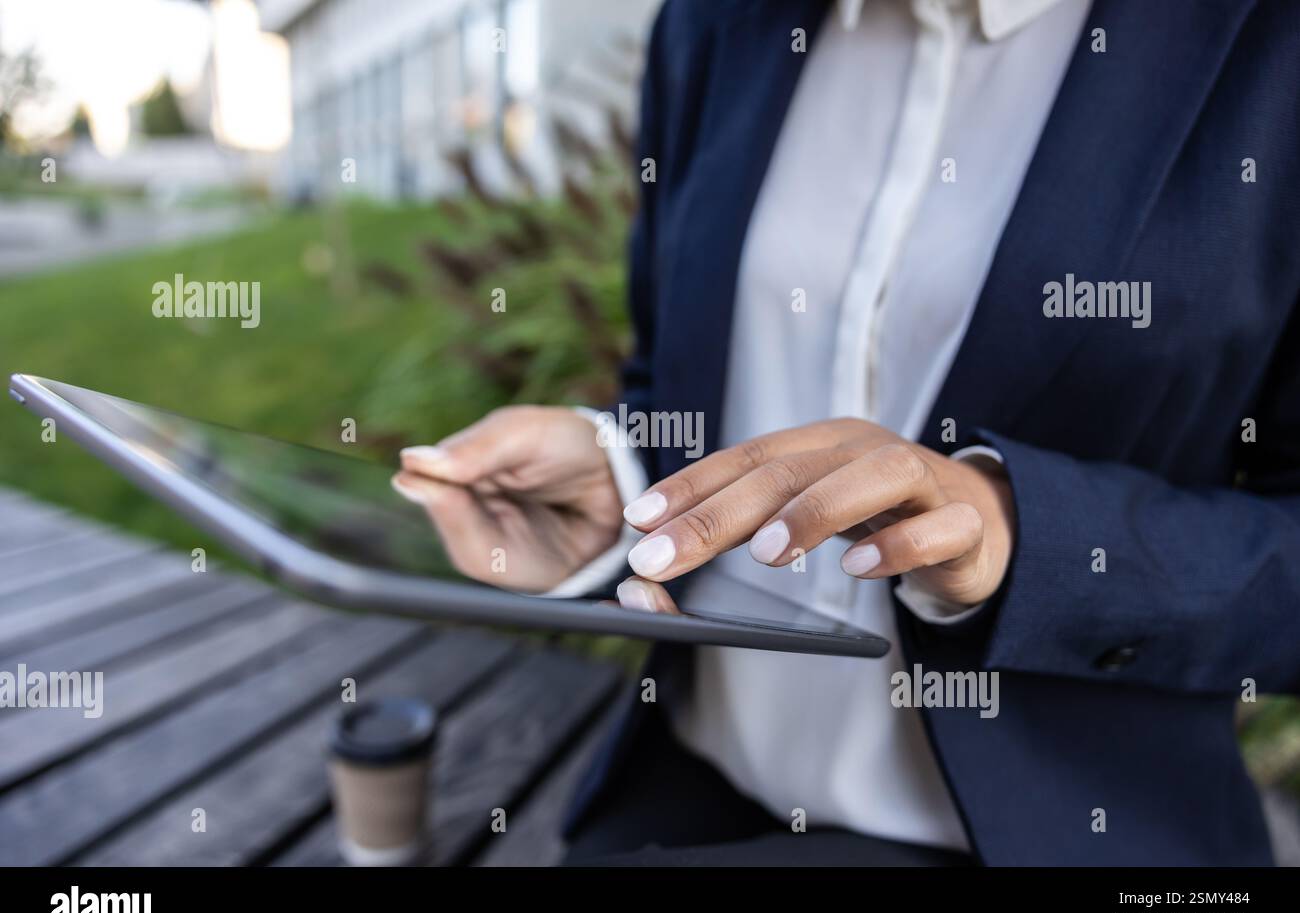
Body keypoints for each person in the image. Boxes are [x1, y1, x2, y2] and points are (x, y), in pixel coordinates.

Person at [392, 0, 1300, 865]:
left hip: (1044, 833)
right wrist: (625, 488)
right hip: (682, 791)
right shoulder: (714, 26)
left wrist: (1022, 535)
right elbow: (678, 371)